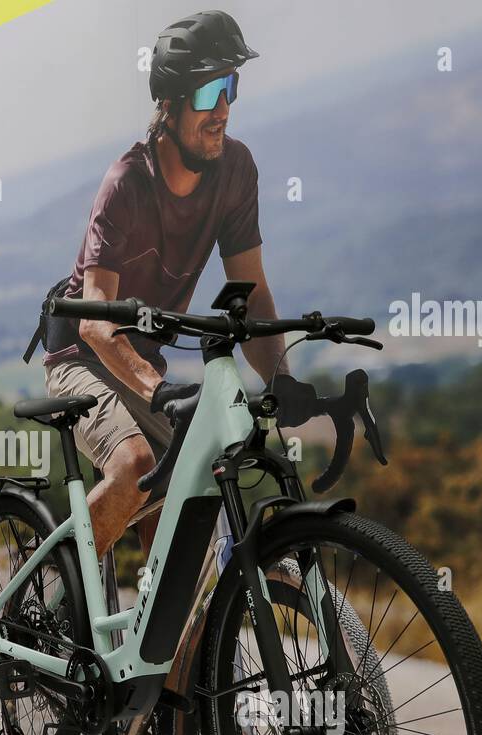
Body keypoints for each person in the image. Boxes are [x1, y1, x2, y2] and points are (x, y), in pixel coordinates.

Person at [34, 10, 290, 562]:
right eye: (207, 93)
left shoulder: (236, 171)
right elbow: (96, 319)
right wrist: (156, 389)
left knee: (190, 484)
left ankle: (162, 641)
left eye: (230, 87)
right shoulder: (126, 184)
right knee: (137, 466)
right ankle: (54, 588)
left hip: (143, 366)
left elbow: (252, 292)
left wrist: (283, 383)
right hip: (80, 354)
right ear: (170, 105)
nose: (222, 110)